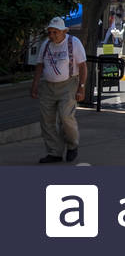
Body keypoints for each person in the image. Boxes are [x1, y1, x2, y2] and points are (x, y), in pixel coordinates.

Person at [31, 17, 87, 163]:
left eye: (55, 32)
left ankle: (72, 145)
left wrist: (81, 87)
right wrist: (35, 84)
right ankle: (54, 152)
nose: (52, 35)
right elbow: (39, 65)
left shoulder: (73, 43)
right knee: (47, 120)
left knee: (65, 116)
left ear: (63, 31)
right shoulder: (46, 44)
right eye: (50, 32)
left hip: (68, 85)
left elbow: (82, 66)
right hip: (48, 86)